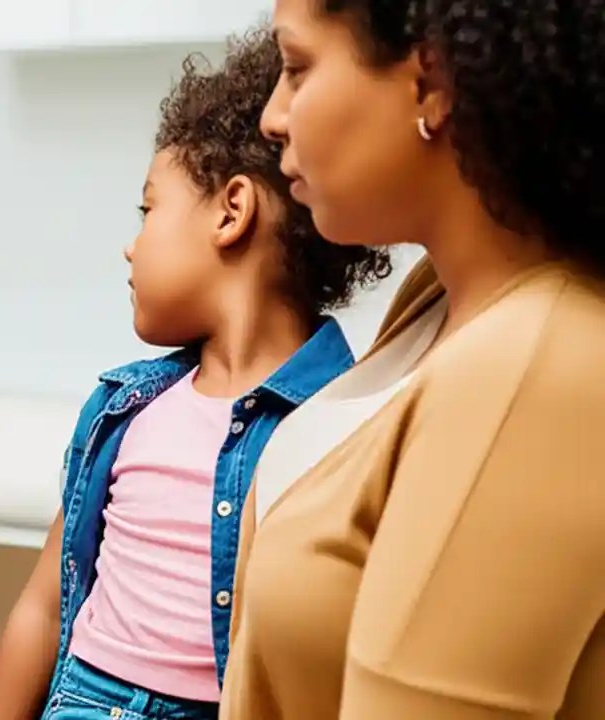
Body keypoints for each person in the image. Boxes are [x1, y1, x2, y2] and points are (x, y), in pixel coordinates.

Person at [0, 26, 390, 720]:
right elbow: (43, 608)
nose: (130, 246)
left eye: (148, 208)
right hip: (84, 699)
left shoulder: (348, 423)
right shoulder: (125, 409)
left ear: (232, 211)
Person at [219, 1, 605, 718]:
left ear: (432, 82)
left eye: (298, 68)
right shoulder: (438, 300)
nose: (273, 116)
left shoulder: (532, 369)